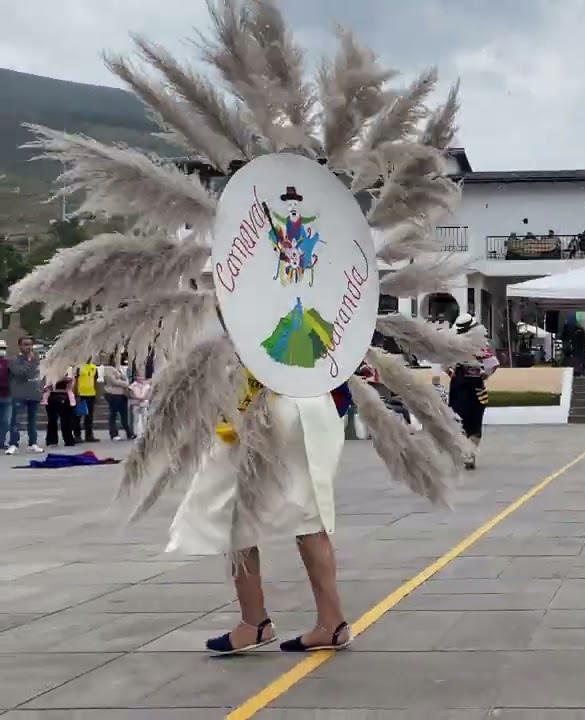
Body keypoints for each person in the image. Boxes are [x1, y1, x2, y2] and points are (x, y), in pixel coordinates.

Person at [6, 7, 483, 657]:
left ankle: (329, 619)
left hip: (293, 399)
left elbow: (316, 320)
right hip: (252, 400)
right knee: (233, 510)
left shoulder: (308, 272)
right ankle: (254, 619)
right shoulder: (253, 256)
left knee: (301, 514)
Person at [447, 313, 499, 470]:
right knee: (469, 423)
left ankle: (468, 454)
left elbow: (444, 364)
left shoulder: (463, 346)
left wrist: (451, 372)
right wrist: (485, 374)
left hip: (465, 387)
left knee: (464, 422)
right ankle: (469, 454)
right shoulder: (460, 346)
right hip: (469, 387)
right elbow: (493, 364)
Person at [7, 336, 43, 455]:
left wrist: (41, 390)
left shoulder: (36, 360)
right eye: (25, 344)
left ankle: (33, 443)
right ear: (20, 346)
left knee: (32, 421)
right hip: (19, 394)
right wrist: (29, 362)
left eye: (30, 344)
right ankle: (13, 444)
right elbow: (20, 373)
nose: (28, 347)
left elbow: (39, 375)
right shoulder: (14, 360)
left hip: (34, 394)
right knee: (16, 421)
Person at [102, 356, 135, 441]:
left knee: (124, 414)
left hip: (122, 394)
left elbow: (124, 378)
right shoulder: (108, 369)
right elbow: (113, 381)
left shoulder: (118, 369)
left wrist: (125, 381)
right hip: (113, 394)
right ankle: (113, 433)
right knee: (113, 414)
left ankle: (129, 433)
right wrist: (125, 383)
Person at [42, 371, 77, 448]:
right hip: (52, 396)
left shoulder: (70, 370)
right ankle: (52, 440)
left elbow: (72, 386)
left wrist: (67, 380)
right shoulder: (50, 370)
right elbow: (47, 385)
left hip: (66, 397)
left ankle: (68, 439)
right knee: (52, 420)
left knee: (66, 420)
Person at [74, 357, 101, 442]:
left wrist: (97, 393)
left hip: (91, 394)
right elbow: (76, 380)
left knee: (89, 417)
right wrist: (75, 392)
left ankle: (89, 436)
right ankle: (77, 436)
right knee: (78, 416)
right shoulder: (79, 367)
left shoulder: (94, 367)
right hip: (81, 394)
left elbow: (95, 381)